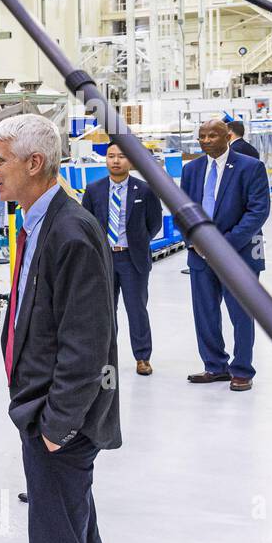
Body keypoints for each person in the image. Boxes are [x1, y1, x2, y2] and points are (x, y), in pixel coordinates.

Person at [0, 114, 119, 543]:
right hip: (44, 415)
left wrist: (56, 425)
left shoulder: (70, 230)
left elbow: (86, 342)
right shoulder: (37, 222)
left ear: (33, 163)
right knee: (80, 542)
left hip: (60, 427)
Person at [182, 118, 270, 392]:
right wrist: (194, 240)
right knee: (205, 313)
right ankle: (215, 366)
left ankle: (242, 369)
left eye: (212, 135)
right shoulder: (192, 169)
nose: (206, 141)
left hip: (238, 255)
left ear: (227, 137)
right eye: (201, 136)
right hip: (200, 256)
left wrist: (223, 244)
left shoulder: (250, 167)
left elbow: (258, 211)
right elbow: (181, 209)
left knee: (241, 313)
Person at [81, 142, 163, 376]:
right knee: (105, 311)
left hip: (133, 260)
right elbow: (86, 222)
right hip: (103, 260)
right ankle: (106, 357)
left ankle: (142, 357)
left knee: (137, 309)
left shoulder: (144, 190)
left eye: (122, 156)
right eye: (111, 156)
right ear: (105, 159)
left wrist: (137, 242)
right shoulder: (94, 189)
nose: (116, 161)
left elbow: (154, 223)